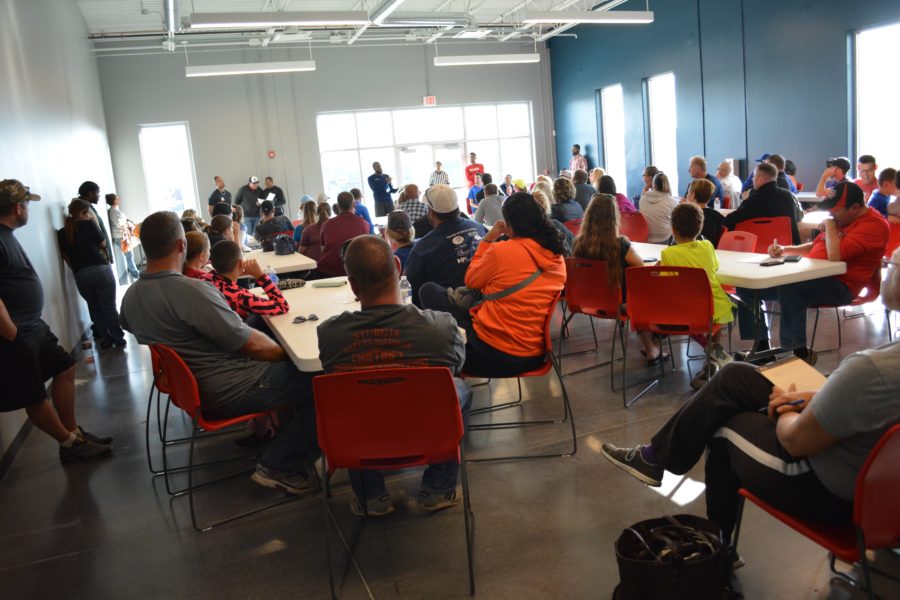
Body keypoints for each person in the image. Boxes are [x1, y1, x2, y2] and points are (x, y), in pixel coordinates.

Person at [600, 259, 900, 553]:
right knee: (734, 376)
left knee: (722, 429)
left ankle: (719, 550)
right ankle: (654, 457)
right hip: (883, 490)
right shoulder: (879, 368)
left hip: (831, 490)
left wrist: (788, 409)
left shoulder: (871, 371)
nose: (885, 270)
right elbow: (864, 402)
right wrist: (811, 396)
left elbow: (795, 441)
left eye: (893, 266)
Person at [121, 211, 319, 493]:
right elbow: (253, 345)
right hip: (231, 387)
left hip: (193, 390)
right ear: (181, 246)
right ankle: (279, 464)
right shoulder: (194, 291)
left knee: (301, 381)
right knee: (322, 381)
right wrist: (296, 356)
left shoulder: (130, 297)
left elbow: (131, 326)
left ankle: (283, 444)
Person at [317, 235, 471, 516]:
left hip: (361, 437)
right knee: (460, 389)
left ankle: (371, 496)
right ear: (398, 268)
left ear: (352, 284)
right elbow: (458, 365)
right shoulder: (441, 328)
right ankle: (438, 488)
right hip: (425, 431)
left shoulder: (329, 335)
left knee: (350, 406)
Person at [0, 179, 113, 462]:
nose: (28, 209)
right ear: (17, 207)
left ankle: (73, 433)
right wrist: (12, 335)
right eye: (27, 204)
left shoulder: (6, 235)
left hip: (32, 326)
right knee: (34, 395)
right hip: (16, 333)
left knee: (65, 367)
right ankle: (69, 445)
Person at [736, 182, 889, 363]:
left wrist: (831, 226)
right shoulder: (842, 219)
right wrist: (785, 249)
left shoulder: (874, 226)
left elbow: (834, 256)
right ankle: (761, 348)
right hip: (812, 275)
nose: (830, 214)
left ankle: (797, 353)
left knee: (792, 287)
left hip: (842, 286)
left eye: (834, 211)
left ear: (855, 208)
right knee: (747, 286)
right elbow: (815, 246)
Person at [419, 193, 566, 377]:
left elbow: (471, 279)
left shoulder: (502, 251)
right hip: (537, 355)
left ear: (510, 225)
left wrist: (489, 238)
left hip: (493, 355)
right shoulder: (557, 256)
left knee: (429, 292)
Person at [573, 194, 663, 362]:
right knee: (648, 295)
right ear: (613, 218)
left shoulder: (578, 243)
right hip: (620, 304)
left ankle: (651, 346)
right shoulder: (620, 244)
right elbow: (641, 270)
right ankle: (651, 347)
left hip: (589, 301)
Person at [661, 203, 735, 389]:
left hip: (684, 311)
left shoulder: (668, 253)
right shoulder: (708, 245)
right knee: (711, 319)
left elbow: (666, 281)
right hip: (715, 307)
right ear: (699, 227)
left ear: (673, 229)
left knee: (676, 312)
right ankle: (711, 354)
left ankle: (709, 349)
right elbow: (715, 267)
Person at [57, 199, 126, 349]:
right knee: (109, 306)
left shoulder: (62, 233)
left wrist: (77, 269)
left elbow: (66, 257)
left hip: (81, 274)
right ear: (83, 213)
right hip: (100, 269)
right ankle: (118, 338)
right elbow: (102, 243)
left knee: (94, 307)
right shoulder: (88, 225)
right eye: (87, 212)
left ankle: (106, 339)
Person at [405, 185, 486, 307]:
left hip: (449, 318)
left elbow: (410, 293)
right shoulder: (480, 228)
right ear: (457, 208)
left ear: (431, 213)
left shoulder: (422, 249)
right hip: (487, 305)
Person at [210, 240, 289, 334]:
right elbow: (283, 306)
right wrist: (260, 276)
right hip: (235, 339)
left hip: (213, 333)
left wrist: (236, 272)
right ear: (240, 263)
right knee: (261, 316)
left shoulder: (205, 278)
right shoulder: (239, 296)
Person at [723, 162, 801, 245]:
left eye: (754, 177)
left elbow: (730, 220)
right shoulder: (789, 196)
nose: (752, 179)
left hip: (756, 247)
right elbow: (798, 218)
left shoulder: (754, 200)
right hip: (785, 246)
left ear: (760, 180)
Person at [317, 191, 371, 277]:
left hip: (328, 270)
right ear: (354, 205)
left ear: (338, 206)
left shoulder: (326, 224)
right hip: (355, 271)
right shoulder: (365, 224)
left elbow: (323, 250)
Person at [77, 181, 114, 270]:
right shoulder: (84, 210)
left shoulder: (89, 208)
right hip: (97, 260)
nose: (99, 195)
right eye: (98, 192)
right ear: (90, 193)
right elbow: (95, 234)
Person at [106, 193, 140, 282]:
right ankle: (135, 273)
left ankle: (134, 272)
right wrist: (128, 224)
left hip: (122, 235)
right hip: (120, 236)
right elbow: (119, 224)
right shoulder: (113, 211)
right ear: (113, 200)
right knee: (129, 255)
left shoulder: (115, 210)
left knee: (129, 255)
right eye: (116, 198)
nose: (118, 199)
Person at [532, 187, 574, 255]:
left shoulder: (530, 233)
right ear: (546, 205)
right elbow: (572, 240)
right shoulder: (556, 224)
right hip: (568, 261)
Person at [639, 172, 679, 244]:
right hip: (665, 238)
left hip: (646, 238)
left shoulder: (642, 199)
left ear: (653, 185)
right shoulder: (672, 202)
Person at [686, 179, 725, 248]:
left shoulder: (690, 218)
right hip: (711, 252)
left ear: (692, 195)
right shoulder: (717, 215)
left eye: (688, 193)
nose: (686, 196)